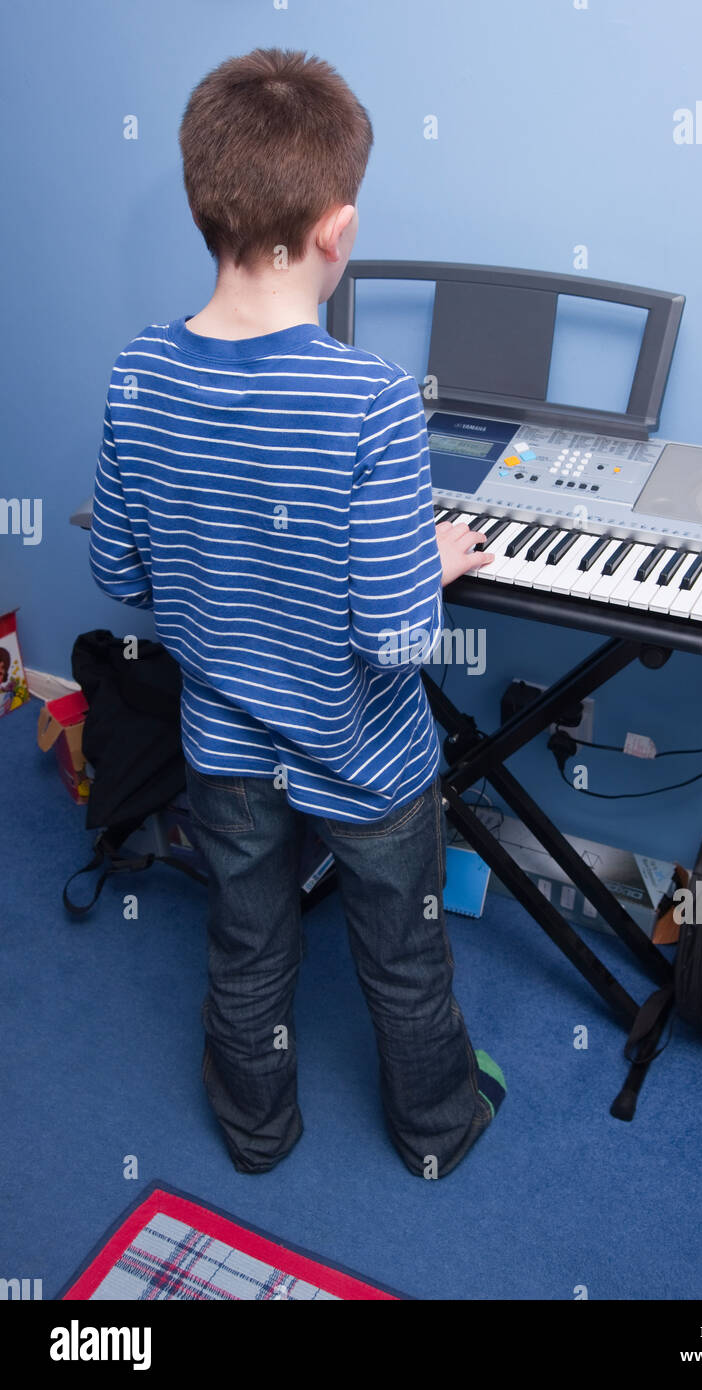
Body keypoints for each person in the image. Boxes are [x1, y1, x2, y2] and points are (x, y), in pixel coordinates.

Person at [88, 47, 506, 1178]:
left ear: (202, 205)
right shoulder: (368, 400)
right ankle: (436, 1127)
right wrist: (428, 556)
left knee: (246, 941)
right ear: (339, 231)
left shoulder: (137, 374)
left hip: (223, 750)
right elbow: (397, 636)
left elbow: (123, 578)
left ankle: (256, 1133)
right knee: (405, 957)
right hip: (366, 758)